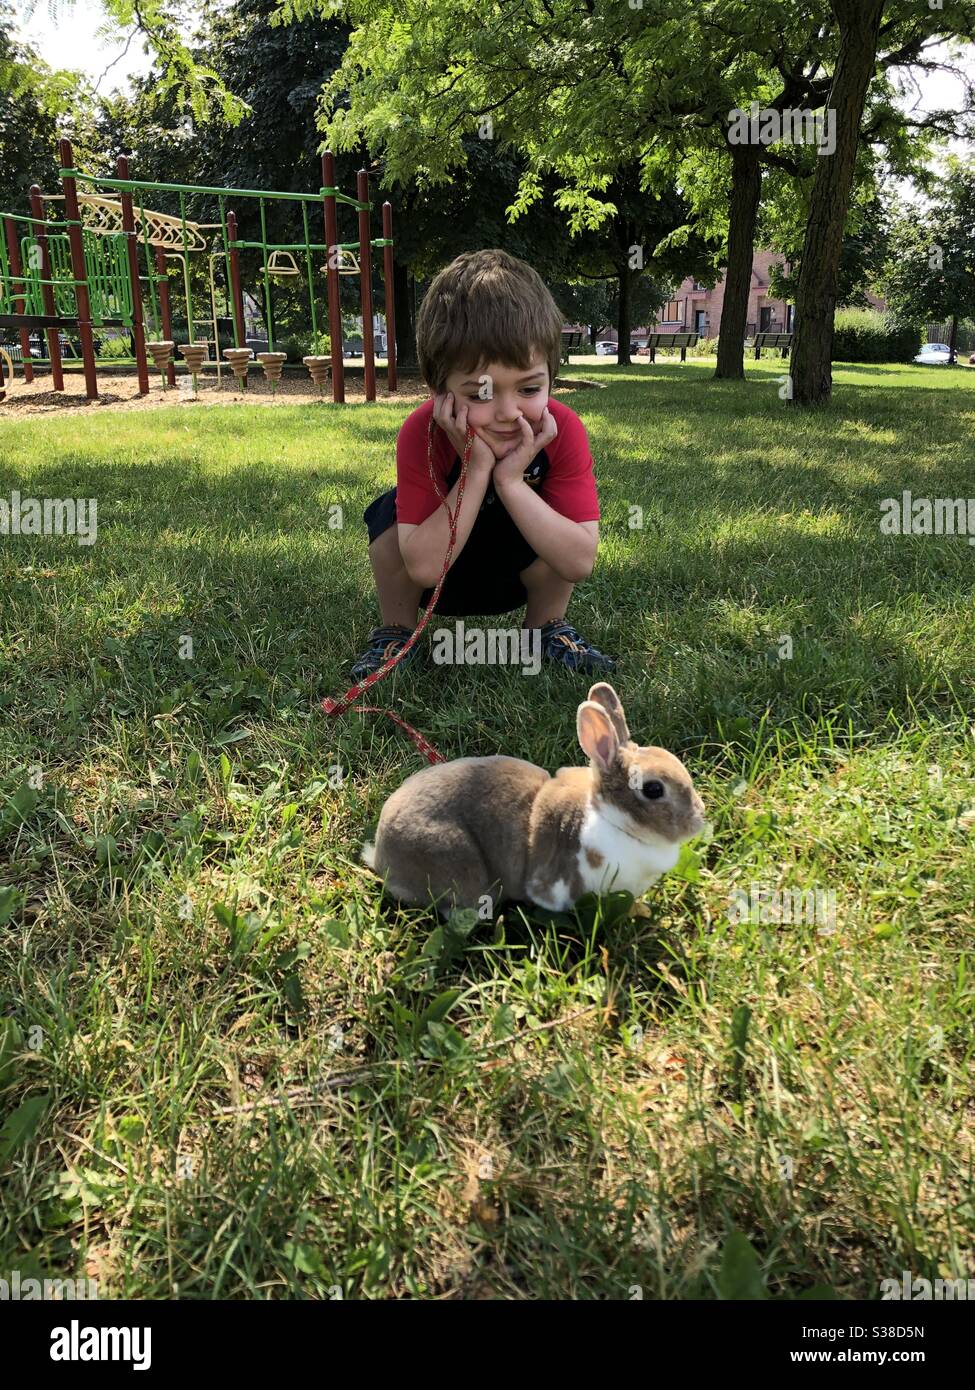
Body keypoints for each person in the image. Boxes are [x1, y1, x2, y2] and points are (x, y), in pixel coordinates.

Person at [350, 248, 615, 678]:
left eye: (530, 389)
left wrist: (510, 482)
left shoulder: (563, 430)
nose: (509, 412)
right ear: (440, 390)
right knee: (389, 516)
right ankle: (395, 631)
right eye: (481, 394)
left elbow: (579, 561)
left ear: (551, 375)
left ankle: (546, 627)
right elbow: (422, 566)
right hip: (440, 579)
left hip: (515, 575)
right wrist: (475, 469)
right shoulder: (422, 432)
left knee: (552, 515)